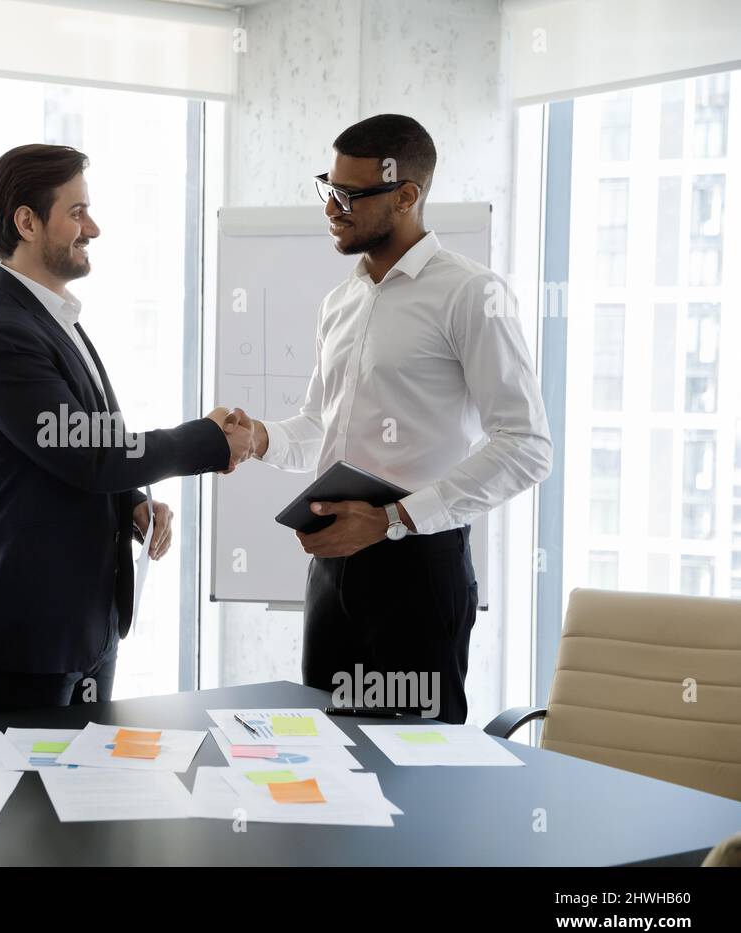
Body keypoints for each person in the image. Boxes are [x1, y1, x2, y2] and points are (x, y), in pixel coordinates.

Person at [228, 114, 551, 724]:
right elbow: (320, 426)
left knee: (419, 770)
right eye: (329, 188)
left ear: (407, 195)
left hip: (419, 570)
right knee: (325, 757)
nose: (332, 208)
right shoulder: (340, 302)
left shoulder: (470, 295)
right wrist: (261, 438)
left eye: (350, 196)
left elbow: (527, 446)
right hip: (332, 567)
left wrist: (394, 520)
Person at [0, 143, 254, 716]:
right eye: (78, 212)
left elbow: (68, 457)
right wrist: (209, 439)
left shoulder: (51, 320)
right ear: (27, 222)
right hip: (29, 632)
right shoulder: (1, 336)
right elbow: (90, 453)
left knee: (81, 799)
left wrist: (130, 504)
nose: (95, 227)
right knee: (19, 804)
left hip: (87, 625)